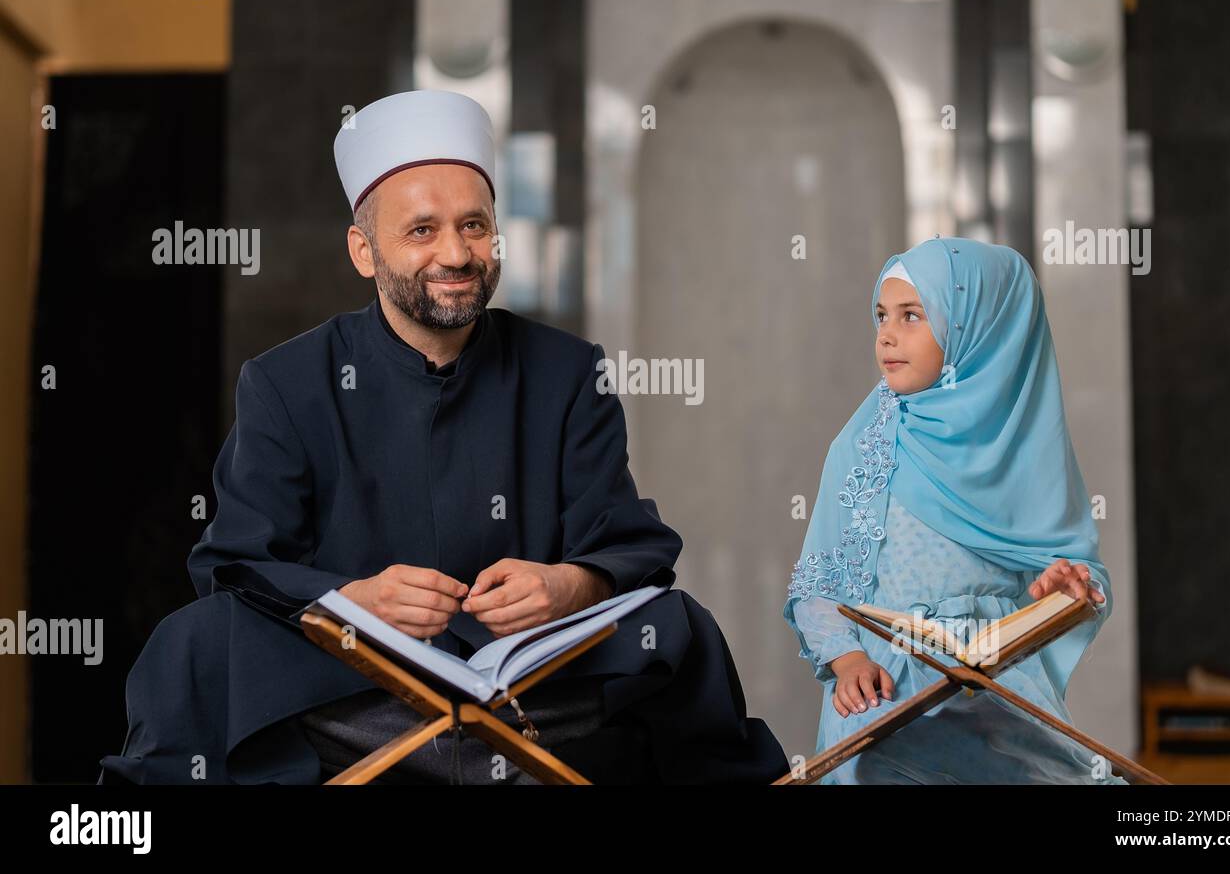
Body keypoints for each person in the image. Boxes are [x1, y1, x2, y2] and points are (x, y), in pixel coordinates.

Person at [99, 89, 786, 785]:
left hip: (534, 690)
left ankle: (484, 749)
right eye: (422, 231)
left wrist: (568, 585)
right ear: (364, 252)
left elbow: (625, 539)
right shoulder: (285, 381)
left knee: (678, 625)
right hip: (354, 689)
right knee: (192, 642)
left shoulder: (568, 371)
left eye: (475, 226)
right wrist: (355, 603)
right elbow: (237, 561)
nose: (457, 254)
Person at [782, 237, 1127, 784]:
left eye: (912, 316)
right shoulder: (864, 446)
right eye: (881, 316)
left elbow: (1078, 577)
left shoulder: (1028, 451)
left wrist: (1065, 589)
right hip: (886, 696)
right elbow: (818, 585)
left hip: (998, 701)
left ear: (981, 329)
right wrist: (848, 662)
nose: (887, 335)